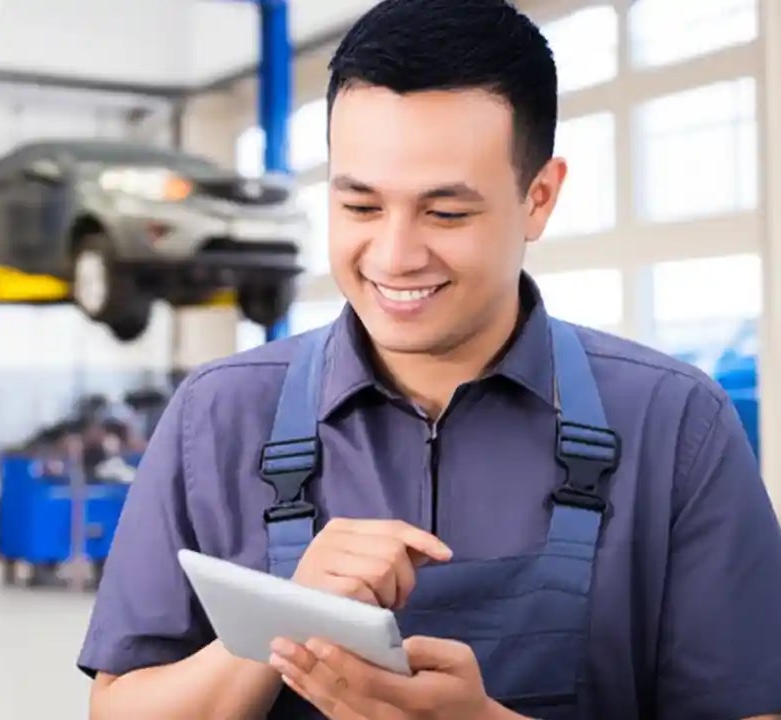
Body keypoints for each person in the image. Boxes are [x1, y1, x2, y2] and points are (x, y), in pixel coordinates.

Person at [76, 1, 781, 719]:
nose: (394, 256)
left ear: (539, 197)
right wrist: (278, 622)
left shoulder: (674, 426)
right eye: (360, 207)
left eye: (445, 213)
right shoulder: (218, 418)